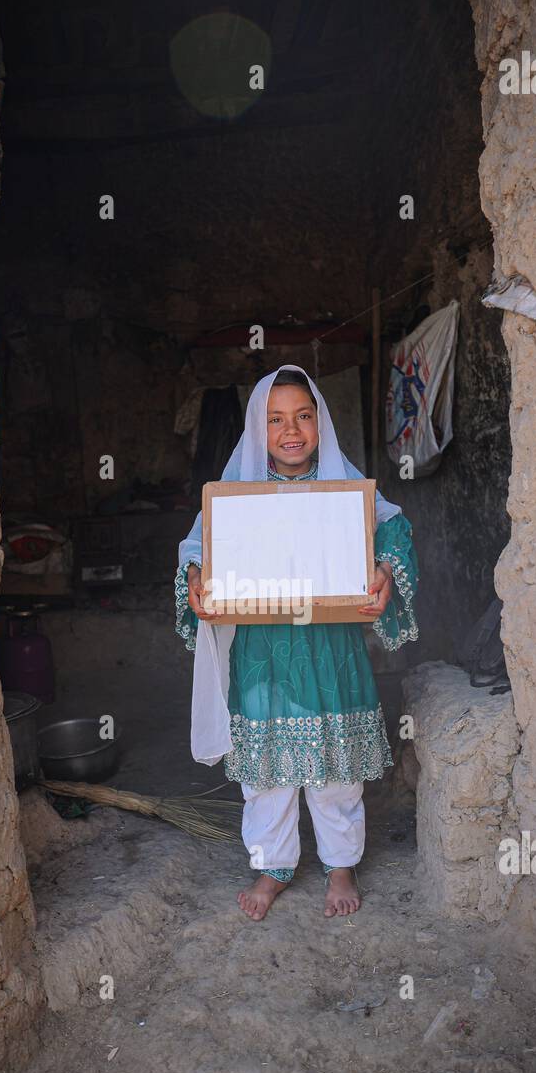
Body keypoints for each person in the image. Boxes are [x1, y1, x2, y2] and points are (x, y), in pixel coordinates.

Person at [175, 364, 418, 921]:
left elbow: (394, 528)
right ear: (257, 430)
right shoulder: (236, 493)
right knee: (267, 772)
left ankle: (340, 864)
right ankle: (272, 866)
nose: (291, 430)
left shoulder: (342, 486)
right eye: (276, 419)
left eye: (303, 417)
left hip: (331, 648)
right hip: (262, 653)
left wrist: (382, 571)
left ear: (320, 424)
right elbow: (195, 547)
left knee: (336, 764)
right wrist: (195, 581)